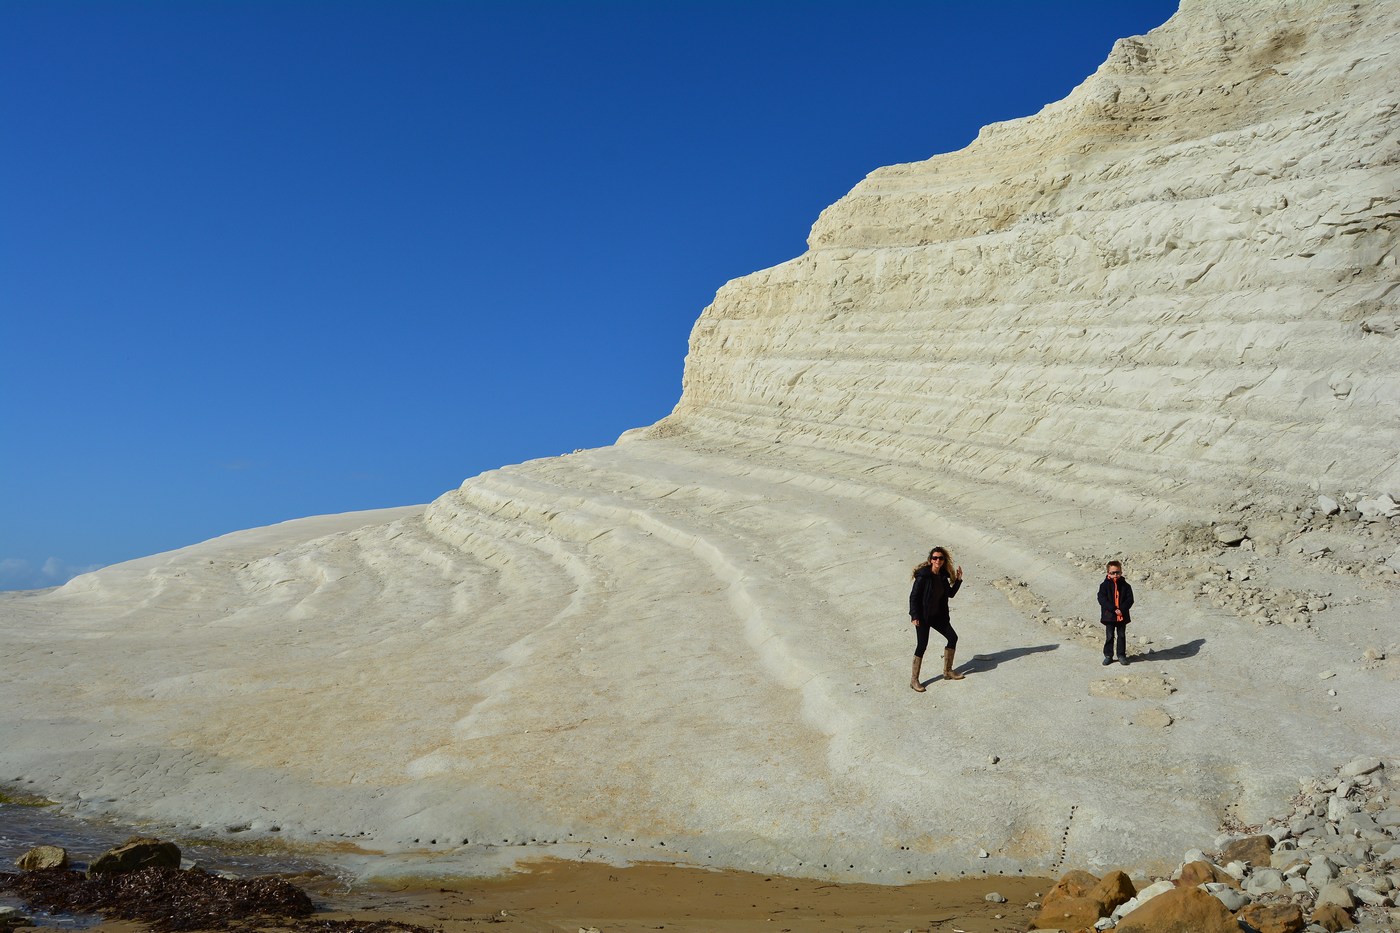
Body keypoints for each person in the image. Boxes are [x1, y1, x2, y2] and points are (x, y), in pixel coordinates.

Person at [907, 546, 965, 690]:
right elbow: (913, 597)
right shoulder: (923, 577)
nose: (937, 560)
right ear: (930, 560)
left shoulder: (942, 576)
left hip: (939, 616)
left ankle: (947, 671)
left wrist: (958, 580)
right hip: (923, 617)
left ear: (943, 560)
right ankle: (914, 680)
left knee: (952, 638)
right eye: (935, 558)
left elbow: (950, 594)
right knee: (922, 646)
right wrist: (914, 615)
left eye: (940, 558)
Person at [1097, 559, 1135, 665]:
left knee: (1121, 635)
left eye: (1117, 572)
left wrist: (1121, 610)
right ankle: (1108, 655)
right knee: (1109, 635)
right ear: (1108, 573)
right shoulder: (1104, 586)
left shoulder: (1126, 586)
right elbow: (1102, 599)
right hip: (1109, 616)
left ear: (1121, 572)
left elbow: (1130, 600)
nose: (1115, 575)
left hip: (1122, 616)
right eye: (1112, 573)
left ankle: (1121, 655)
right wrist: (1114, 609)